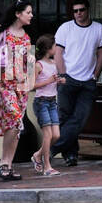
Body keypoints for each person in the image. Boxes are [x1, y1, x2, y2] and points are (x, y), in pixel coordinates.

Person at [0, 0, 35, 181]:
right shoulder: (1, 31)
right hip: (3, 83)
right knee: (15, 117)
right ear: (18, 14)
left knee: (16, 124)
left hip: (21, 85)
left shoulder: (26, 37)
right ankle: (4, 163)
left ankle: (7, 165)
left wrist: (31, 80)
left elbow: (28, 62)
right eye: (28, 12)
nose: (31, 15)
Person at [53, 0, 102, 167]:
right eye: (75, 11)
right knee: (65, 118)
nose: (78, 14)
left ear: (88, 10)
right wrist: (63, 75)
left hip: (87, 82)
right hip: (67, 79)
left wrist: (95, 75)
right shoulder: (65, 28)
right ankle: (71, 155)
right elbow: (58, 53)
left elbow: (101, 54)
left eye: (81, 10)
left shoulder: (99, 29)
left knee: (80, 119)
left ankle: (50, 150)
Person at [31, 34, 61, 176]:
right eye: (54, 46)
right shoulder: (38, 65)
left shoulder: (54, 63)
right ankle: (47, 166)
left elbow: (52, 80)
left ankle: (37, 155)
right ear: (49, 48)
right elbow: (31, 85)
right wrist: (49, 81)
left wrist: (58, 81)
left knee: (56, 135)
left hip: (52, 102)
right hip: (41, 102)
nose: (56, 48)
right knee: (48, 135)